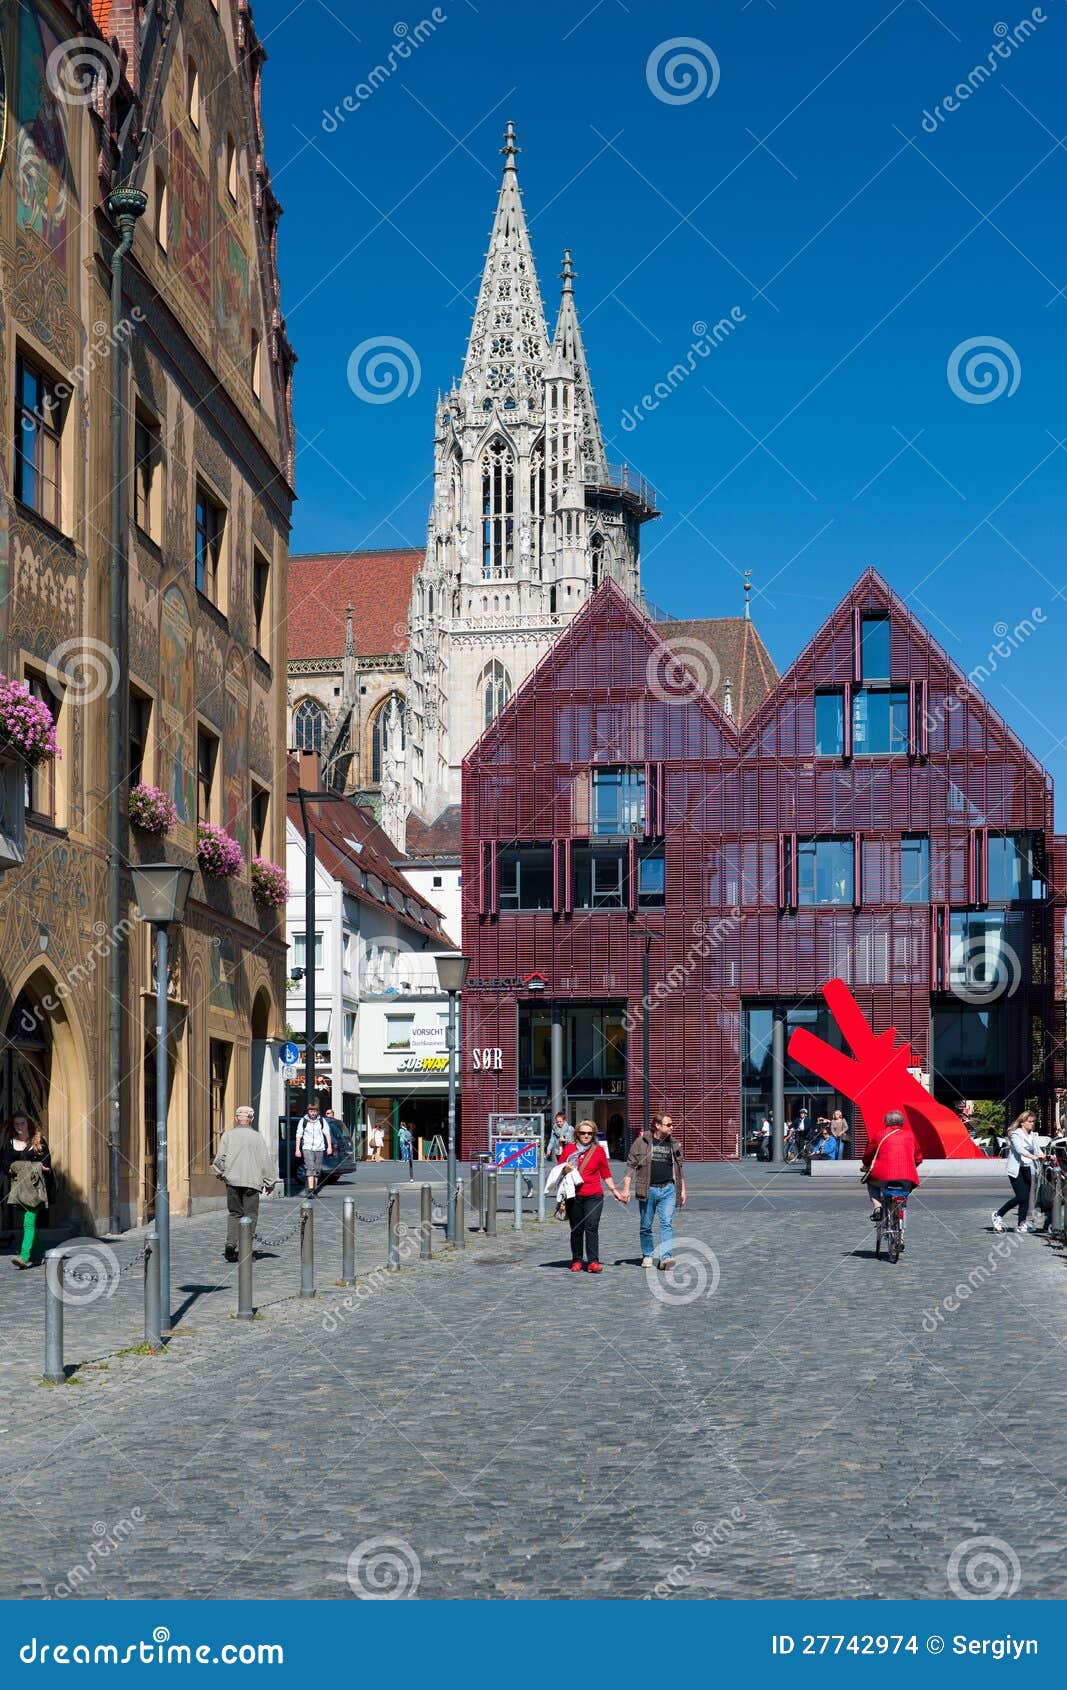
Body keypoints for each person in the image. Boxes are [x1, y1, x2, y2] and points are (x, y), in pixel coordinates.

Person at [620, 1113, 686, 1268]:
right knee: (646, 1225)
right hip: (648, 1189)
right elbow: (630, 1165)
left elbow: (679, 1168)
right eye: (668, 1124)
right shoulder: (641, 1142)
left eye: (672, 1124)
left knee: (666, 1223)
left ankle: (665, 1257)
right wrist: (626, 1189)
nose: (672, 1127)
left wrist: (683, 1189)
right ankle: (648, 1255)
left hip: (668, 1189)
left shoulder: (674, 1144)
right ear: (657, 1125)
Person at [558, 1119, 624, 1273]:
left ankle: (593, 1261)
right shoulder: (569, 1149)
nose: (586, 1135)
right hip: (573, 1195)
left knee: (592, 1227)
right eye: (583, 1133)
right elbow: (558, 1169)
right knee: (576, 1229)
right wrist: (565, 1169)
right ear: (577, 1134)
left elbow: (605, 1174)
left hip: (594, 1195)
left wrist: (615, 1191)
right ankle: (577, 1260)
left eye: (589, 1133)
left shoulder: (599, 1151)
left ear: (593, 1134)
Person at [212, 1106, 277, 1262]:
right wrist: (269, 1181)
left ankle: (230, 1244)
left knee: (235, 1213)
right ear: (251, 1119)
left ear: (236, 1119)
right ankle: (245, 1250)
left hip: (232, 1181)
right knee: (250, 1216)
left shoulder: (228, 1135)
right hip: (252, 1182)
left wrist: (221, 1173)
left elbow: (220, 1159)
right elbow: (265, 1161)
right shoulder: (257, 1137)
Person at [2, 1113, 54, 1268]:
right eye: (16, 1124)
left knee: (28, 1222)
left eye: (22, 1123)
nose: (19, 1126)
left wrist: (32, 1168)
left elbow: (47, 1166)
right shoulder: (10, 1143)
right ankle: (39, 1254)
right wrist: (13, 1168)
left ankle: (24, 1257)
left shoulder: (38, 1142)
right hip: (19, 1191)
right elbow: (5, 1165)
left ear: (28, 1124)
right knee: (28, 1224)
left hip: (36, 1190)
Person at [862, 1108, 923, 1223]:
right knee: (905, 1188)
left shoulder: (879, 1135)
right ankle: (901, 1208)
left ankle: (877, 1207)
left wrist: (866, 1165)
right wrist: (912, 1166)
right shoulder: (910, 1135)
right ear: (902, 1122)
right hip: (906, 1176)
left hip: (881, 1177)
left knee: (871, 1183)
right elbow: (918, 1157)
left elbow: (868, 1155)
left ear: (886, 1122)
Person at [993, 1110, 1043, 1234]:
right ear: (1022, 1122)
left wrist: (1045, 1156)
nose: (1032, 1124)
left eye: (1033, 1122)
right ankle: (998, 1214)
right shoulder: (1016, 1134)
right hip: (1016, 1170)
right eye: (1029, 1122)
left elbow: (1038, 1150)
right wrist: (1033, 1157)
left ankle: (1021, 1224)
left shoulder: (1032, 1136)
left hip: (1027, 1169)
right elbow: (1019, 1149)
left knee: (1025, 1199)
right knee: (1021, 1196)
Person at [295, 1102, 333, 1194]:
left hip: (319, 1148)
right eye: (311, 1111)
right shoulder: (303, 1121)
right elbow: (299, 1135)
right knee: (310, 1167)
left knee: (317, 1169)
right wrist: (297, 1149)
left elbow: (327, 1133)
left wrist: (329, 1147)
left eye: (315, 1111)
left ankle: (314, 1190)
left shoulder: (321, 1121)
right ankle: (311, 1189)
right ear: (308, 1111)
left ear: (317, 1112)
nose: (313, 1113)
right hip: (307, 1147)